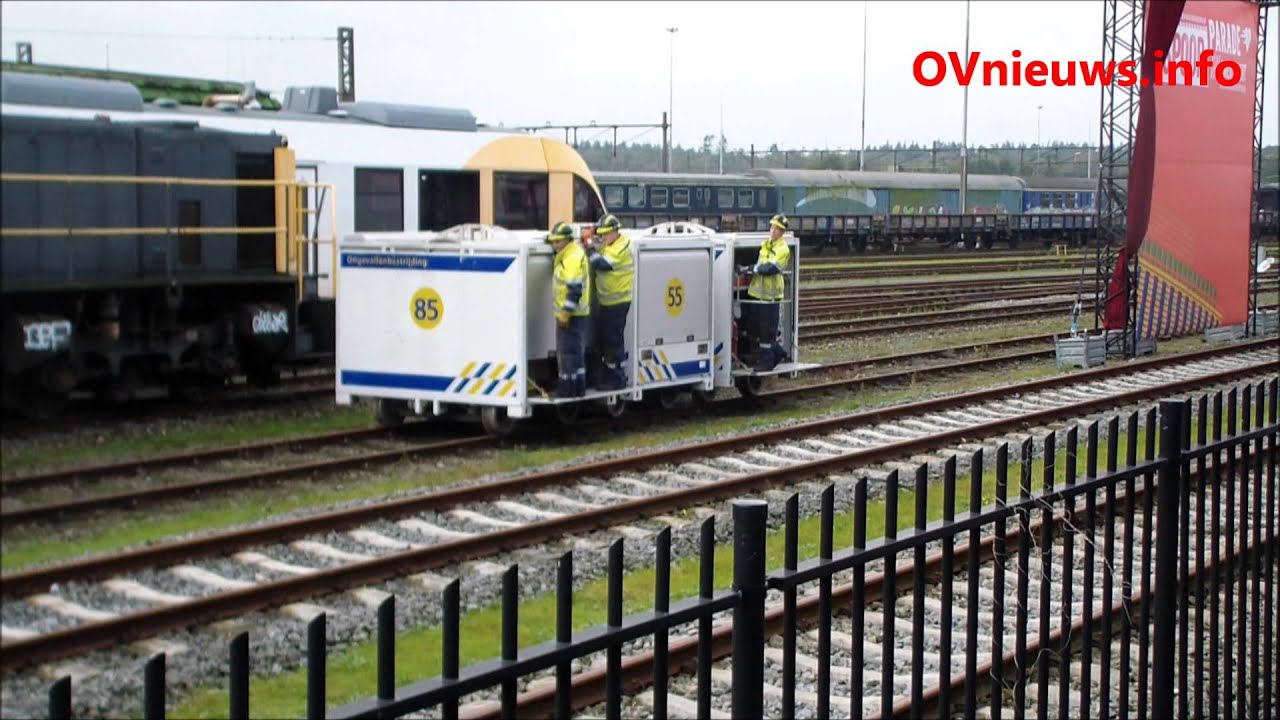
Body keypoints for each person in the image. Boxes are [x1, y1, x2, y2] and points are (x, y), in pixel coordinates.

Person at [584, 213, 634, 390]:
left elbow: (600, 264)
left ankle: (618, 380)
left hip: (618, 302)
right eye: (601, 235)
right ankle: (603, 377)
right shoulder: (611, 244)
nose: (603, 238)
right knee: (603, 340)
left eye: (605, 234)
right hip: (607, 302)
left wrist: (589, 245)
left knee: (613, 341)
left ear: (615, 231)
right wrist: (592, 234)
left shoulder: (622, 247)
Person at [547, 221, 590, 397]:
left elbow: (574, 289)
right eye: (552, 242)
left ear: (567, 240)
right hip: (575, 313)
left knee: (567, 353)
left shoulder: (571, 258)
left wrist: (565, 313)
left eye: (557, 241)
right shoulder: (570, 253)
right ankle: (579, 387)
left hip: (570, 314)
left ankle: (567, 389)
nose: (554, 245)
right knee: (576, 352)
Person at [745, 213, 792, 371]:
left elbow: (771, 268)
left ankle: (767, 362)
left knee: (767, 332)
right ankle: (777, 354)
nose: (773, 231)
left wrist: (755, 269)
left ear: (782, 232)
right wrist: (749, 268)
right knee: (756, 328)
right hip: (757, 295)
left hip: (771, 297)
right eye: (772, 227)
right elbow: (760, 264)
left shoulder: (783, 249)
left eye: (777, 229)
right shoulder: (765, 245)